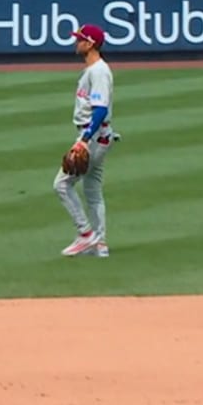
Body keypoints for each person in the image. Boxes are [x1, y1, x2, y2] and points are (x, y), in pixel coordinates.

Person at [55, 24, 118, 258]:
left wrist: (83, 140)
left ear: (90, 44)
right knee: (93, 190)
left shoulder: (98, 71)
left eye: (80, 39)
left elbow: (100, 110)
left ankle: (85, 234)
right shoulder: (93, 70)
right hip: (100, 136)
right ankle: (99, 244)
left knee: (61, 185)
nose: (76, 42)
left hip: (94, 136)